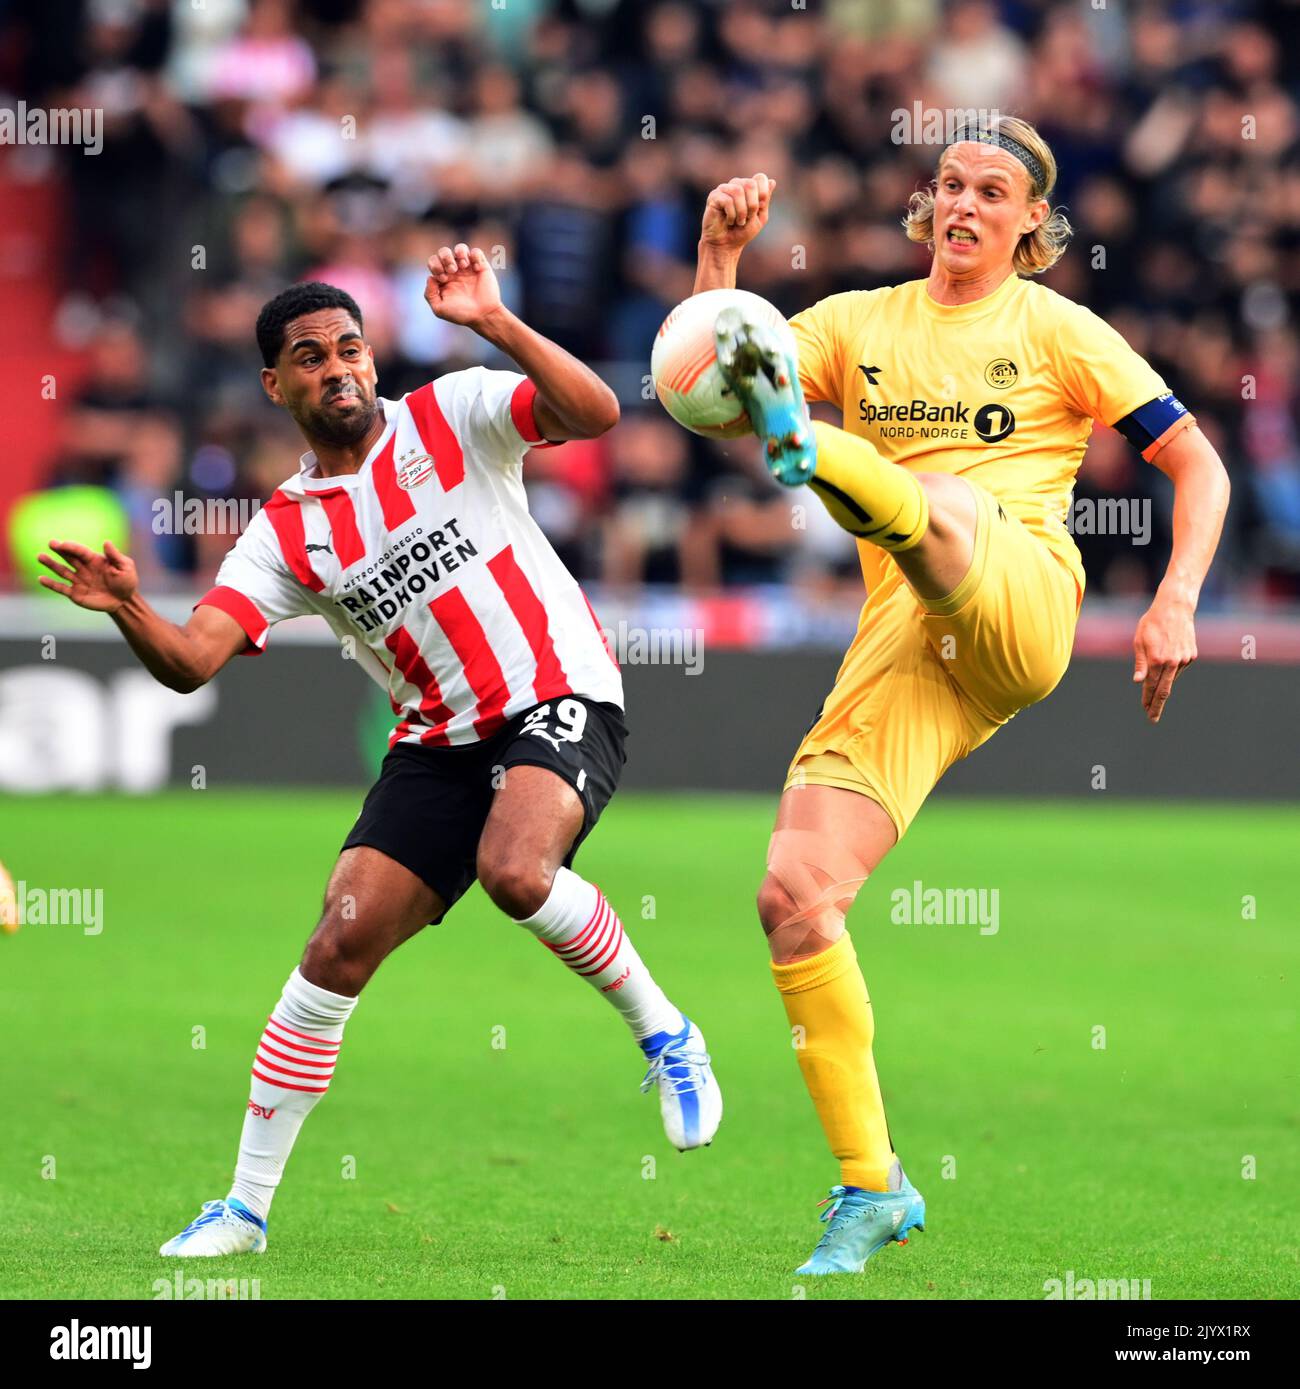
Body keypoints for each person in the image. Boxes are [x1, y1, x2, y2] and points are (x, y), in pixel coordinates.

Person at [39, 247, 722, 1258]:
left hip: (558, 690)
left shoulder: (452, 412)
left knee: (514, 869)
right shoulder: (284, 531)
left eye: (349, 346)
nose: (336, 368)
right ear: (276, 385)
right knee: (334, 947)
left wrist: (494, 320)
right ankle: (245, 1208)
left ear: (373, 354)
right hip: (437, 740)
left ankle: (665, 1032)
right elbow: (191, 663)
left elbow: (595, 414)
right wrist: (131, 606)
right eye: (309, 358)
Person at [692, 119, 1230, 1275]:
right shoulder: (853, 322)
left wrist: (1175, 598)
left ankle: (814, 458)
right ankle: (870, 1186)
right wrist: (721, 266)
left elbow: (1198, 461)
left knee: (942, 500)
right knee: (792, 895)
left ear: (1033, 219)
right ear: (926, 199)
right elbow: (705, 385)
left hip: (1023, 593)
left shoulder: (1059, 331)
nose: (963, 204)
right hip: (909, 643)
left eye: (992, 190)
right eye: (948, 183)